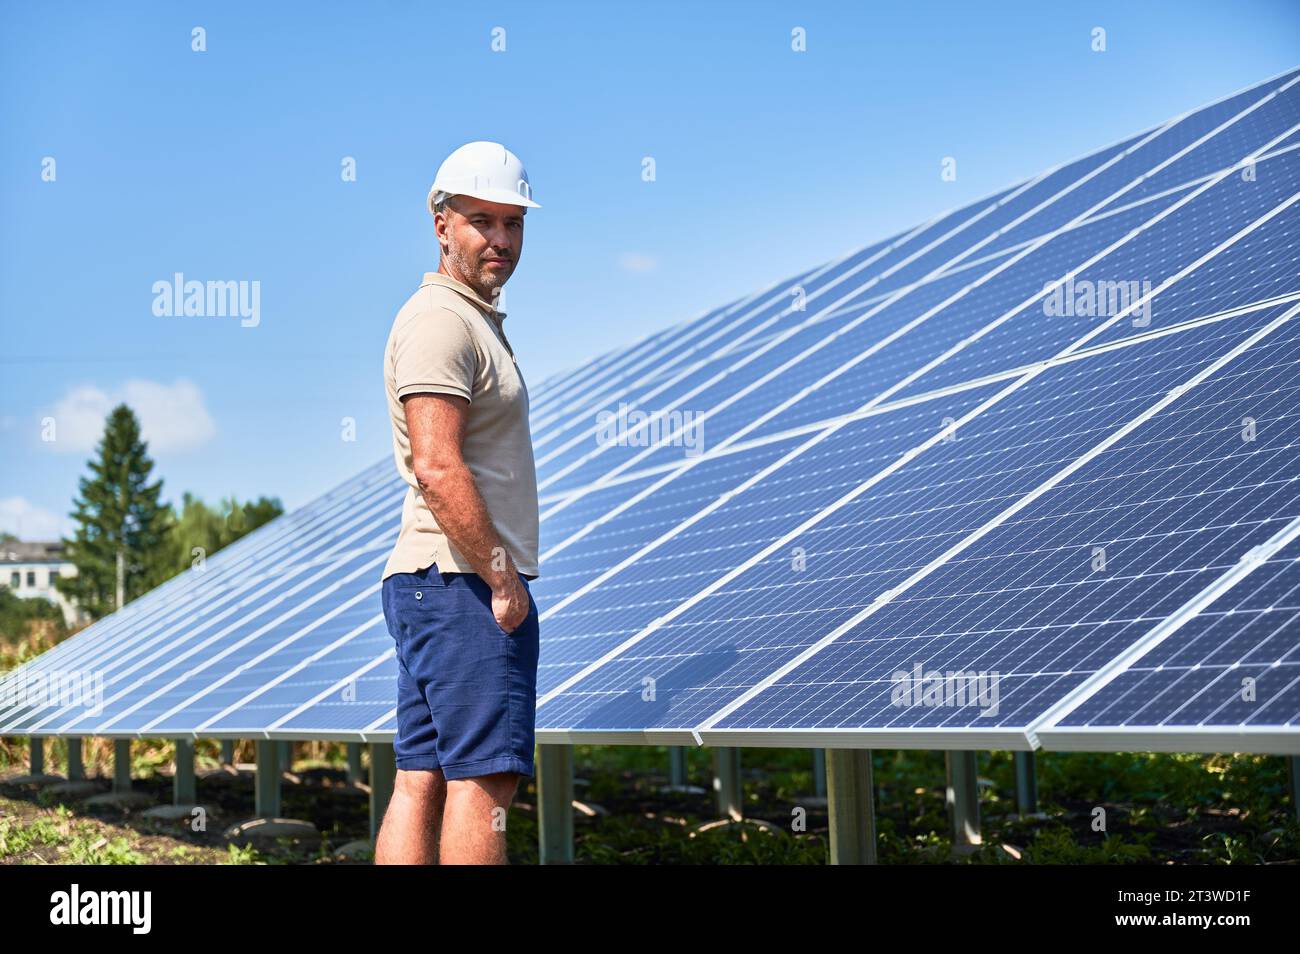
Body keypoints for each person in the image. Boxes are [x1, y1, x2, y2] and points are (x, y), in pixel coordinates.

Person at [375, 141, 542, 864]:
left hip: (430, 583)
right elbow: (437, 466)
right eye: (482, 220)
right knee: (485, 785)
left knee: (422, 778)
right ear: (441, 223)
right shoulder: (442, 321)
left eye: (513, 223)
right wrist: (501, 577)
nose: (501, 239)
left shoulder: (467, 319)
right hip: (461, 584)